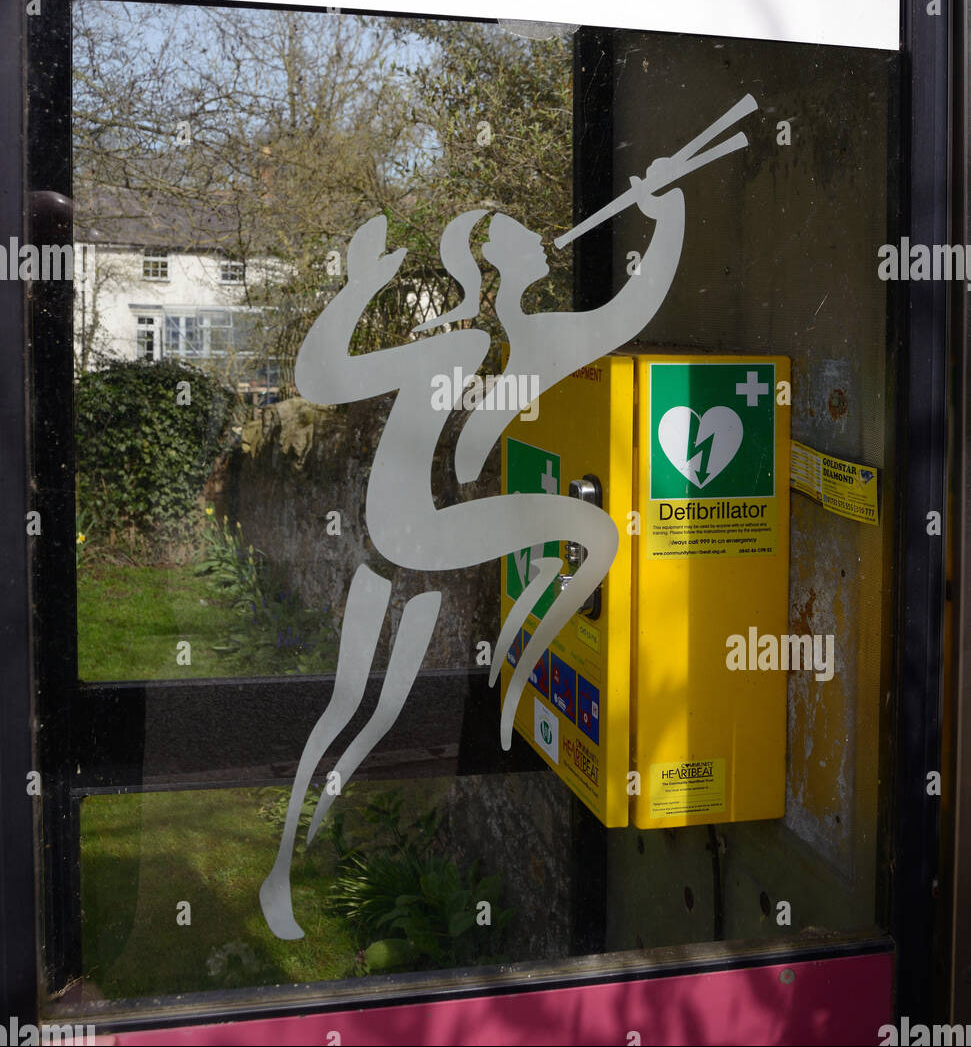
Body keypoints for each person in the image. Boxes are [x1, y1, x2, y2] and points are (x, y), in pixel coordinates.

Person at [260, 95, 756, 940]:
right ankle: (511, 679)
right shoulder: (456, 338)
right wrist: (358, 287)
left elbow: (631, 312)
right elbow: (321, 378)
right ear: (490, 267)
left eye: (527, 237)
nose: (537, 243)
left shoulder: (541, 339)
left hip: (437, 529)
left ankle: (288, 866)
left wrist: (665, 213)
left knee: (368, 708)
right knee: (589, 535)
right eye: (516, 239)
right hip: (406, 522)